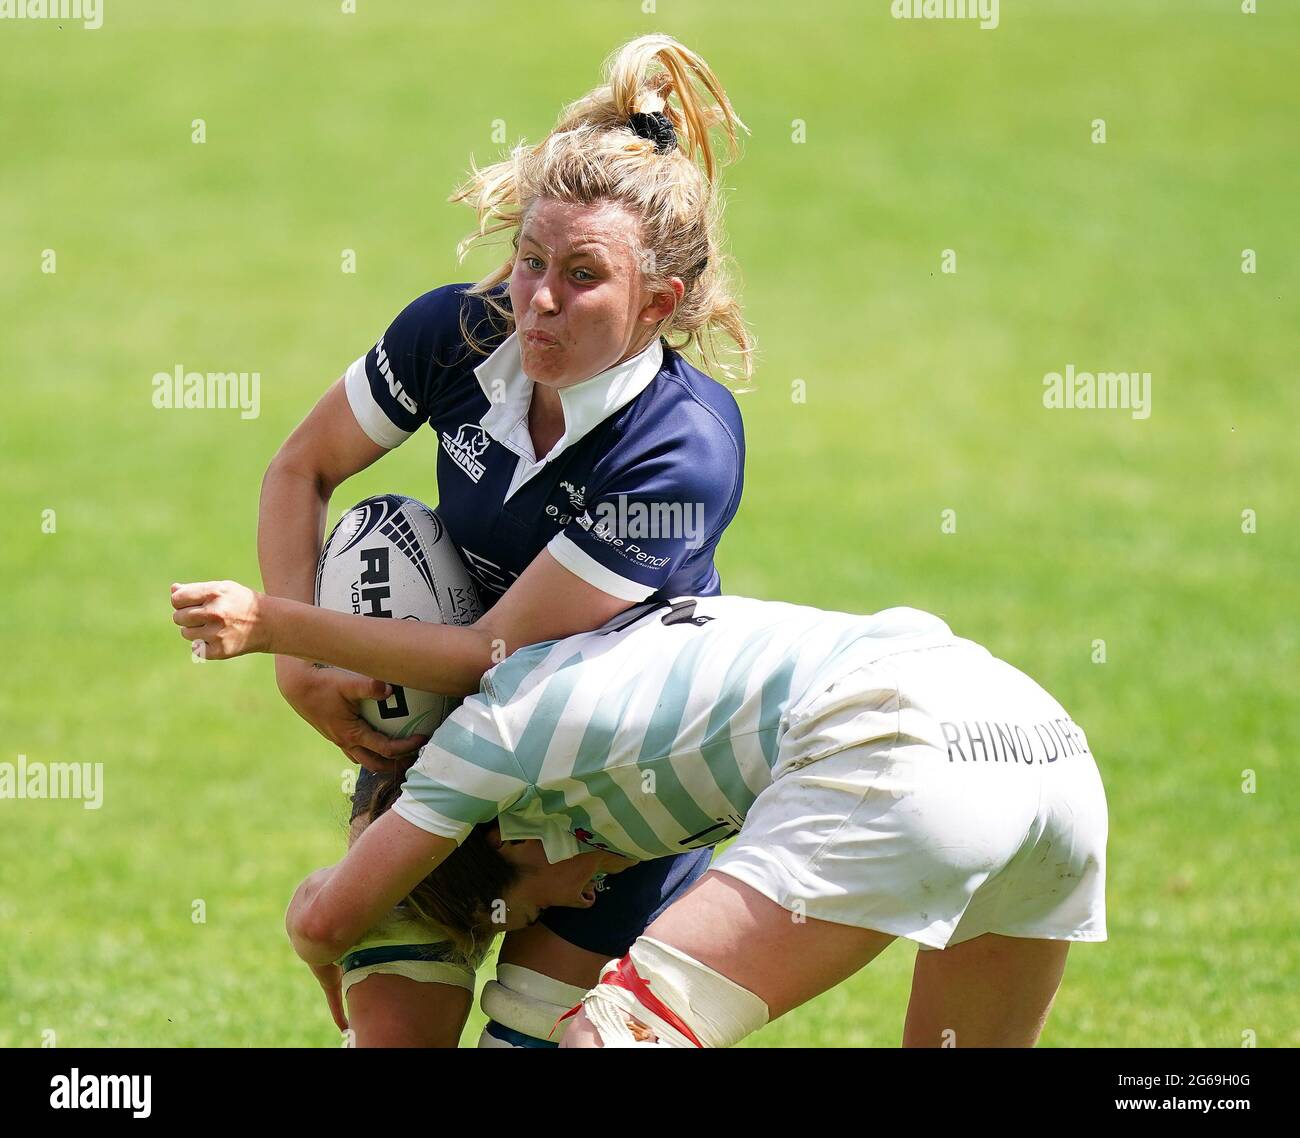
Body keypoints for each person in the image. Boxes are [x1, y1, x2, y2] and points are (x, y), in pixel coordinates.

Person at [250, 33, 751, 1046]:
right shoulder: (458, 334)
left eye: (582, 275)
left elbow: (495, 653)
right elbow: (300, 471)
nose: (538, 300)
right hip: (442, 750)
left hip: (611, 793)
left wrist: (274, 625)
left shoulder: (682, 448)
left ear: (656, 303)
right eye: (529, 261)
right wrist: (303, 666)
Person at [173, 588, 1108, 1048]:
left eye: (529, 906)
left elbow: (324, 919)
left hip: (899, 741)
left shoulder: (490, 740)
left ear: (504, 839)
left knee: (610, 1037)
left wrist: (324, 935)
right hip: (1046, 746)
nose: (577, 902)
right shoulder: (594, 711)